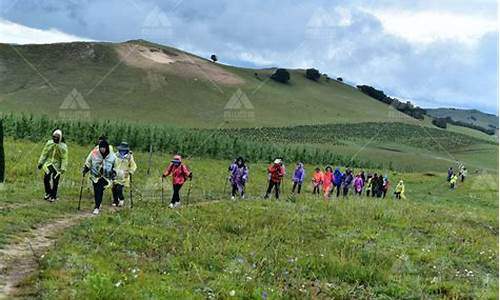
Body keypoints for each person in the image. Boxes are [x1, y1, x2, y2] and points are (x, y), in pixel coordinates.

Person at [83, 139, 116, 215]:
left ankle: (96, 207)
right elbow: (89, 161)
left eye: (104, 147)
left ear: (107, 148)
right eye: (101, 147)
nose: (102, 149)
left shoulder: (112, 155)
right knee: (96, 190)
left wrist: (114, 172)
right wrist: (86, 168)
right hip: (95, 175)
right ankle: (98, 203)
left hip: (105, 177)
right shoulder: (94, 153)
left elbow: (115, 165)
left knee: (99, 189)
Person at [37, 129, 68, 202]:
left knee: (55, 180)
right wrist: (40, 163)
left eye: (57, 137)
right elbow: (44, 154)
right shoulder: (49, 143)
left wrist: (63, 168)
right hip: (48, 164)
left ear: (60, 138)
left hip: (57, 166)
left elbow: (64, 158)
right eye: (54, 137)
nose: (55, 138)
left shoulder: (63, 146)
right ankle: (48, 192)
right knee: (46, 178)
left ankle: (53, 195)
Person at [111, 142, 137, 207]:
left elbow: (133, 166)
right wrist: (111, 171)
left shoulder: (129, 157)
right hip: (115, 175)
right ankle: (115, 200)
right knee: (114, 188)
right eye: (121, 150)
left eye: (124, 150)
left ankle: (121, 199)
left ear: (126, 150)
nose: (122, 151)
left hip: (124, 176)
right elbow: (111, 163)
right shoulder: (115, 155)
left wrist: (131, 171)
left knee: (119, 188)